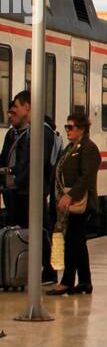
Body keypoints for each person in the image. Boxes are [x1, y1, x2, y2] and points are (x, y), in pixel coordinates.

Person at [0, 89, 57, 284]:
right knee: (22, 231)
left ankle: (48, 271)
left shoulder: (42, 132)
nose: (11, 113)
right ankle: (21, 271)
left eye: (15, 107)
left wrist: (16, 178)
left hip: (31, 192)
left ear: (27, 106)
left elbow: (35, 164)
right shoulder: (12, 135)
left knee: (40, 231)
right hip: (15, 193)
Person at [47, 113, 101, 296]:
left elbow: (86, 177)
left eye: (71, 127)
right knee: (78, 241)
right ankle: (85, 281)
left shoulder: (88, 149)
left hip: (79, 203)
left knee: (72, 241)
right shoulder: (71, 148)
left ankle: (67, 282)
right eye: (66, 127)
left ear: (82, 129)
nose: (68, 131)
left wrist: (70, 196)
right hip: (67, 202)